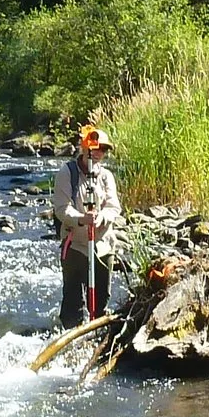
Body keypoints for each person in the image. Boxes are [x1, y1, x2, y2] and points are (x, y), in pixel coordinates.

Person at [51, 124, 123, 327]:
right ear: (85, 148)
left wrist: (101, 218)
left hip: (103, 245)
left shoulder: (106, 176)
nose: (99, 153)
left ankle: (97, 331)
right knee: (73, 303)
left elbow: (113, 206)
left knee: (101, 299)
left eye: (103, 149)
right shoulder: (67, 173)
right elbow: (62, 208)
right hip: (75, 245)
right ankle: (71, 336)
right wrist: (82, 219)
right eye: (95, 148)